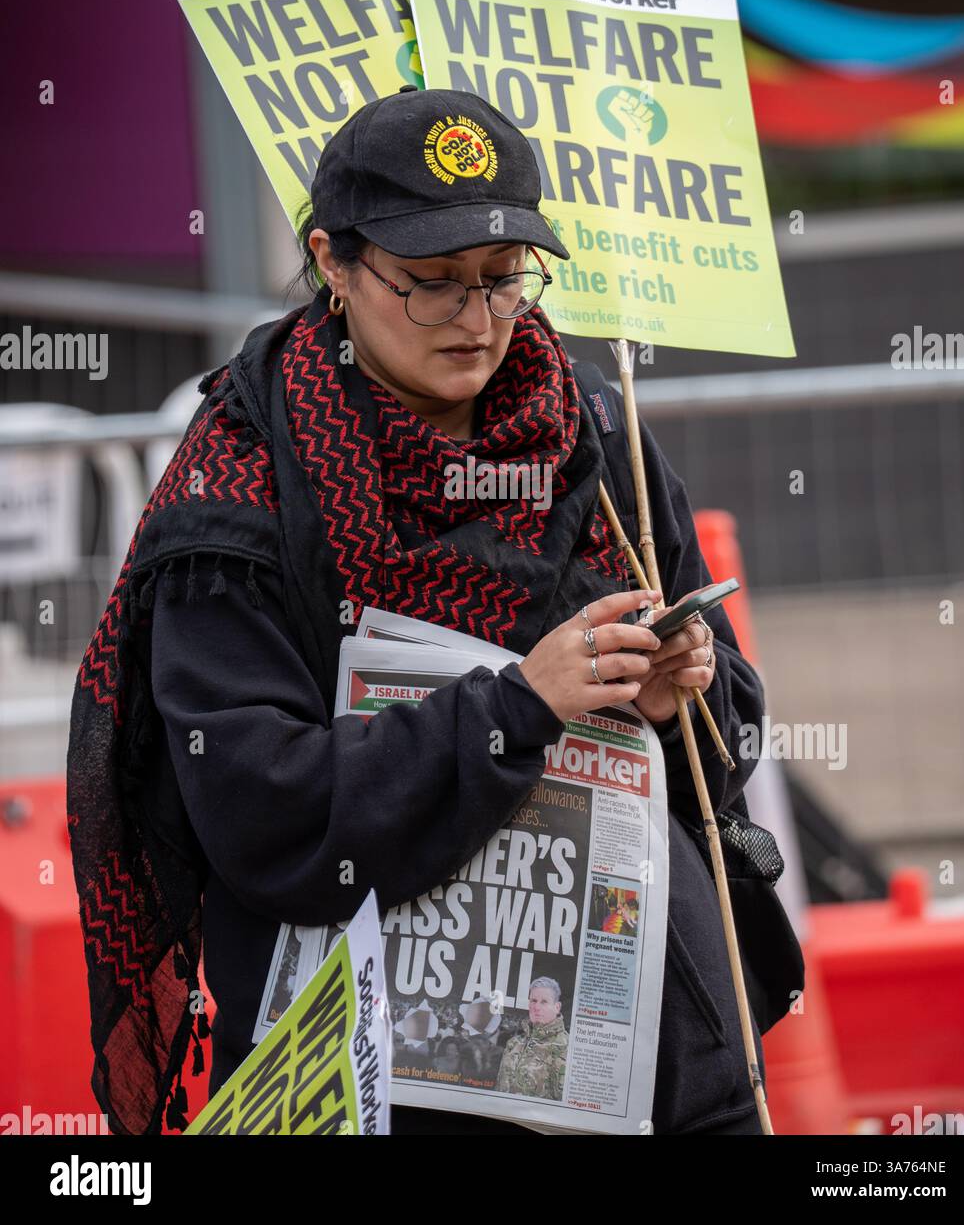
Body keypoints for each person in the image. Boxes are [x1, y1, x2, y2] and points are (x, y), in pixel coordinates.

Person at [66, 85, 793, 1137]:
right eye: (432, 285)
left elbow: (728, 744)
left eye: (504, 280)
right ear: (333, 261)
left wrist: (690, 695)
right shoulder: (239, 491)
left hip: (659, 1075)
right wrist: (517, 707)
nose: (479, 319)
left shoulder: (594, 429)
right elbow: (265, 814)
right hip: (388, 1088)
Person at [495, 978, 569, 1101]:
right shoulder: (514, 1043)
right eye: (533, 1000)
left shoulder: (566, 1048)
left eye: (544, 1002)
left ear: (557, 1007)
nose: (536, 1007)